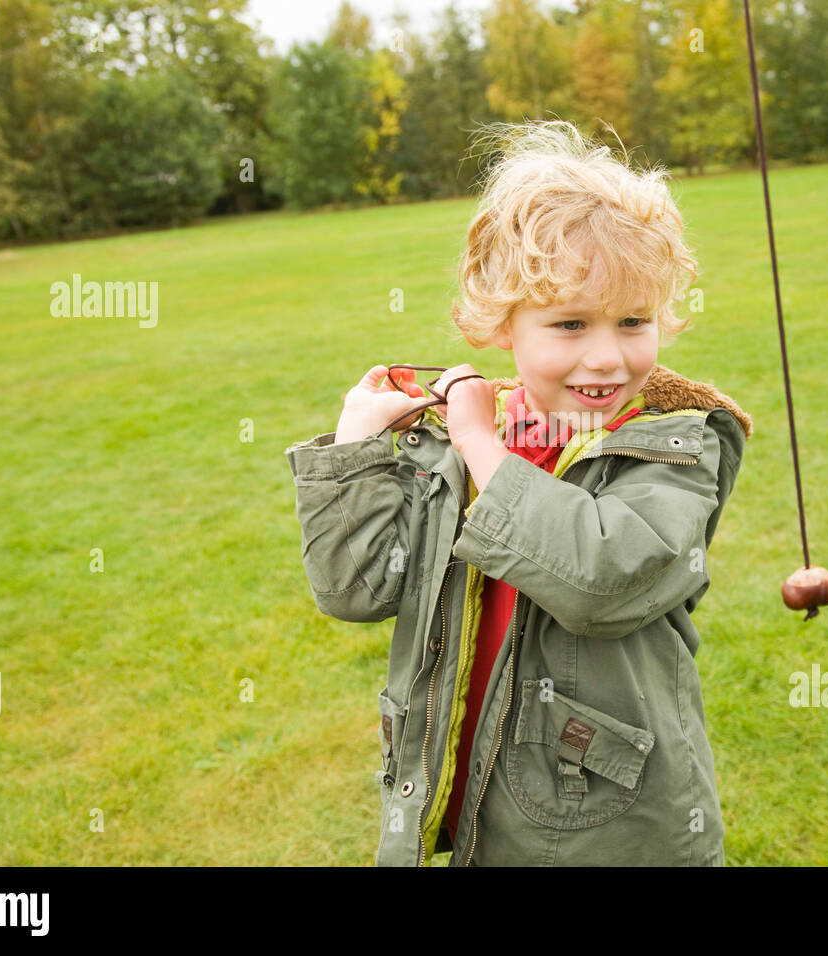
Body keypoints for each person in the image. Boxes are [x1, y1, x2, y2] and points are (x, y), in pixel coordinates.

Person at [284, 120, 753, 866]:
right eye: (569, 323)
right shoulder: (460, 438)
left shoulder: (675, 445)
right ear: (503, 325)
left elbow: (604, 578)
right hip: (481, 791)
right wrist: (356, 447)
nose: (606, 355)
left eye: (634, 321)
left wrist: (480, 446)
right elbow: (357, 588)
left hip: (617, 826)